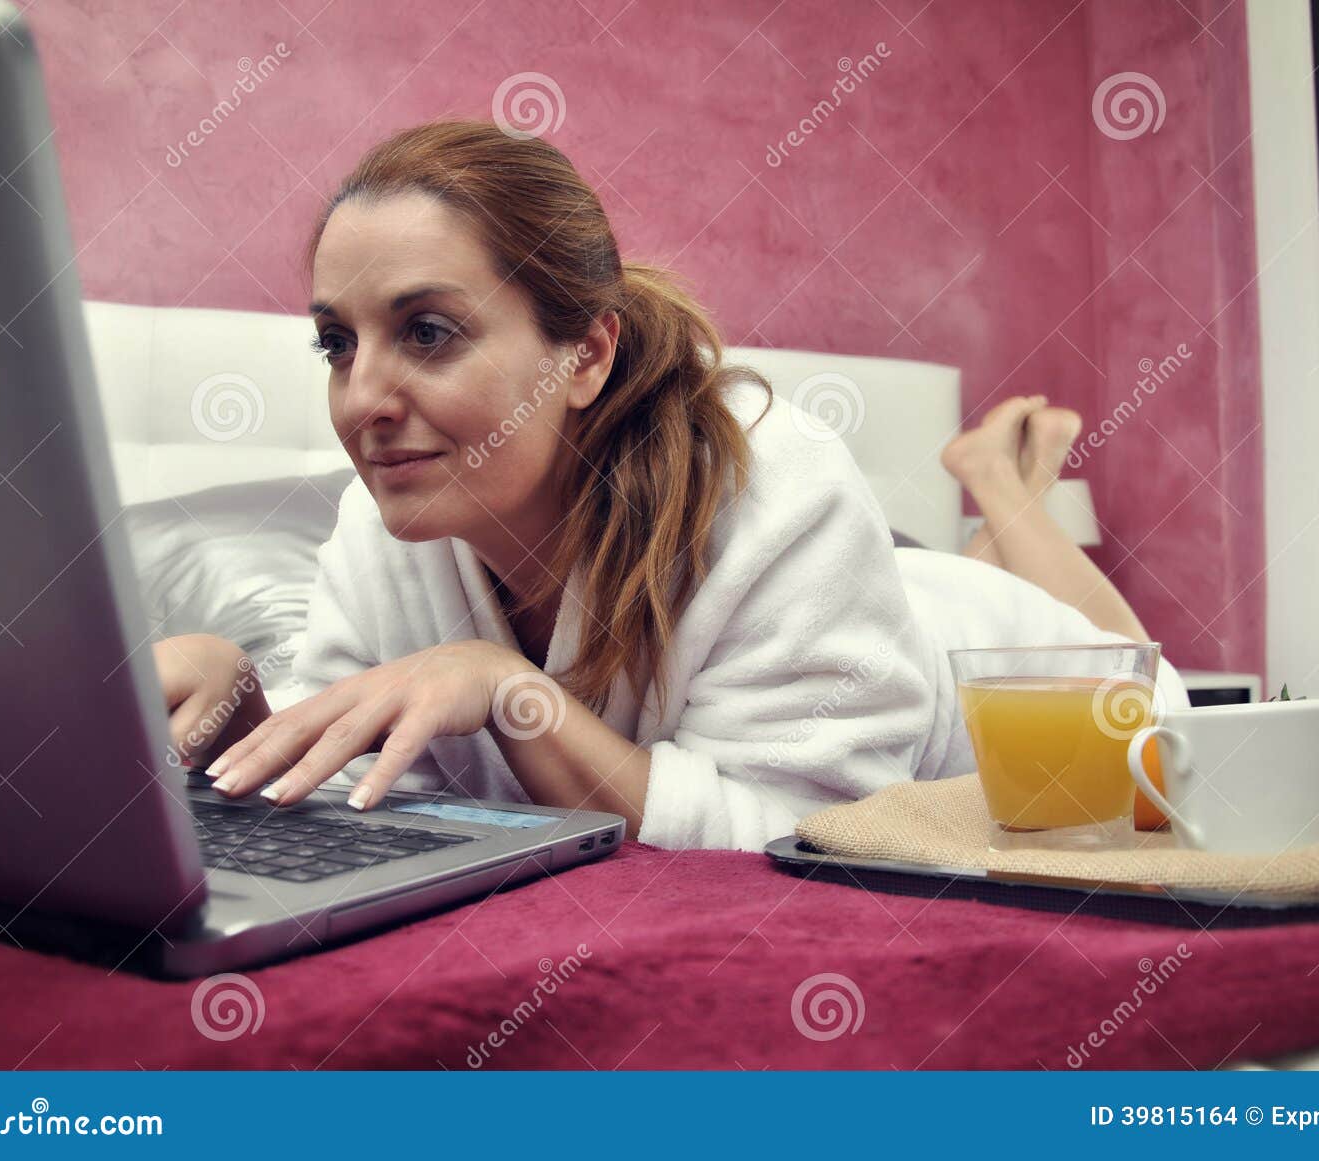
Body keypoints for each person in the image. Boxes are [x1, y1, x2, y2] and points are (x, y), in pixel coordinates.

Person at [152, 120, 1185, 852]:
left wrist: (512, 694)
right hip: (877, 610)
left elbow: (802, 831)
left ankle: (1003, 487)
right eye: (337, 343)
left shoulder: (778, 483)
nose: (360, 399)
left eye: (427, 332)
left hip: (1036, 686)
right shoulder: (377, 530)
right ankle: (988, 513)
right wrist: (243, 711)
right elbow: (352, 779)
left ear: (586, 356)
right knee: (938, 579)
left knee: (1133, 661)